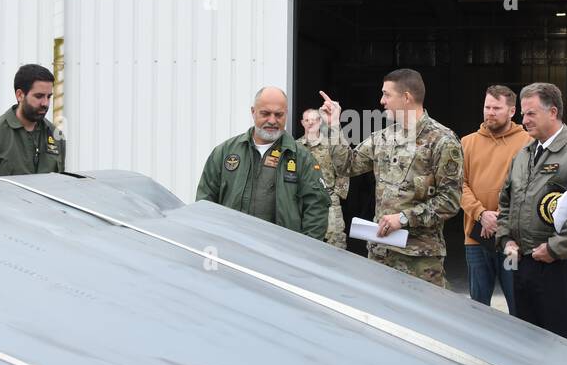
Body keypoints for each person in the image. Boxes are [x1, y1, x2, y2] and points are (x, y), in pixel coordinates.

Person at [318, 69, 463, 287]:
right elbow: (347, 165)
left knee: (419, 319)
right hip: (380, 254)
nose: (381, 101)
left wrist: (404, 218)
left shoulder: (442, 141)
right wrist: (334, 126)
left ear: (406, 97)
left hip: (418, 259)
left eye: (387, 94)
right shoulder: (383, 138)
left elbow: (450, 201)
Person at [497, 83, 567, 342]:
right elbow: (506, 201)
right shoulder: (523, 155)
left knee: (561, 342)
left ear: (553, 112)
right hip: (522, 263)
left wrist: (556, 248)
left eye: (531, 114)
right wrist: (506, 238)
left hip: (557, 266)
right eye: (523, 114)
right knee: (527, 341)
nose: (524, 121)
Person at [197, 86, 329, 240]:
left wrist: (304, 253)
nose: (272, 120)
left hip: (280, 254)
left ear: (286, 114)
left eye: (278, 115)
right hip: (231, 248)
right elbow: (204, 203)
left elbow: (317, 209)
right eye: (265, 113)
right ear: (253, 112)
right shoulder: (225, 153)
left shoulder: (302, 158)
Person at [461, 85, 532, 311]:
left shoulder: (528, 142)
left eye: (497, 108)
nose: (490, 112)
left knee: (518, 300)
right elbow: (458, 185)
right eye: (487, 107)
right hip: (476, 240)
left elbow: (531, 186)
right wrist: (481, 215)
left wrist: (500, 220)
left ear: (512, 111)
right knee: (478, 305)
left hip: (512, 241)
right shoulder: (467, 143)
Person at [0, 64, 65, 178]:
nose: (45, 103)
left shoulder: (56, 137)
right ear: (20, 95)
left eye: (48, 97)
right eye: (39, 96)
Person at [297, 108, 349, 248]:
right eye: (307, 120)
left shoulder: (331, 146)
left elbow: (343, 170)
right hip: (304, 202)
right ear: (302, 123)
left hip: (329, 202)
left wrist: (337, 194)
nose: (310, 123)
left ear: (320, 122)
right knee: (305, 243)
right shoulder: (296, 147)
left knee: (335, 243)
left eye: (314, 119)